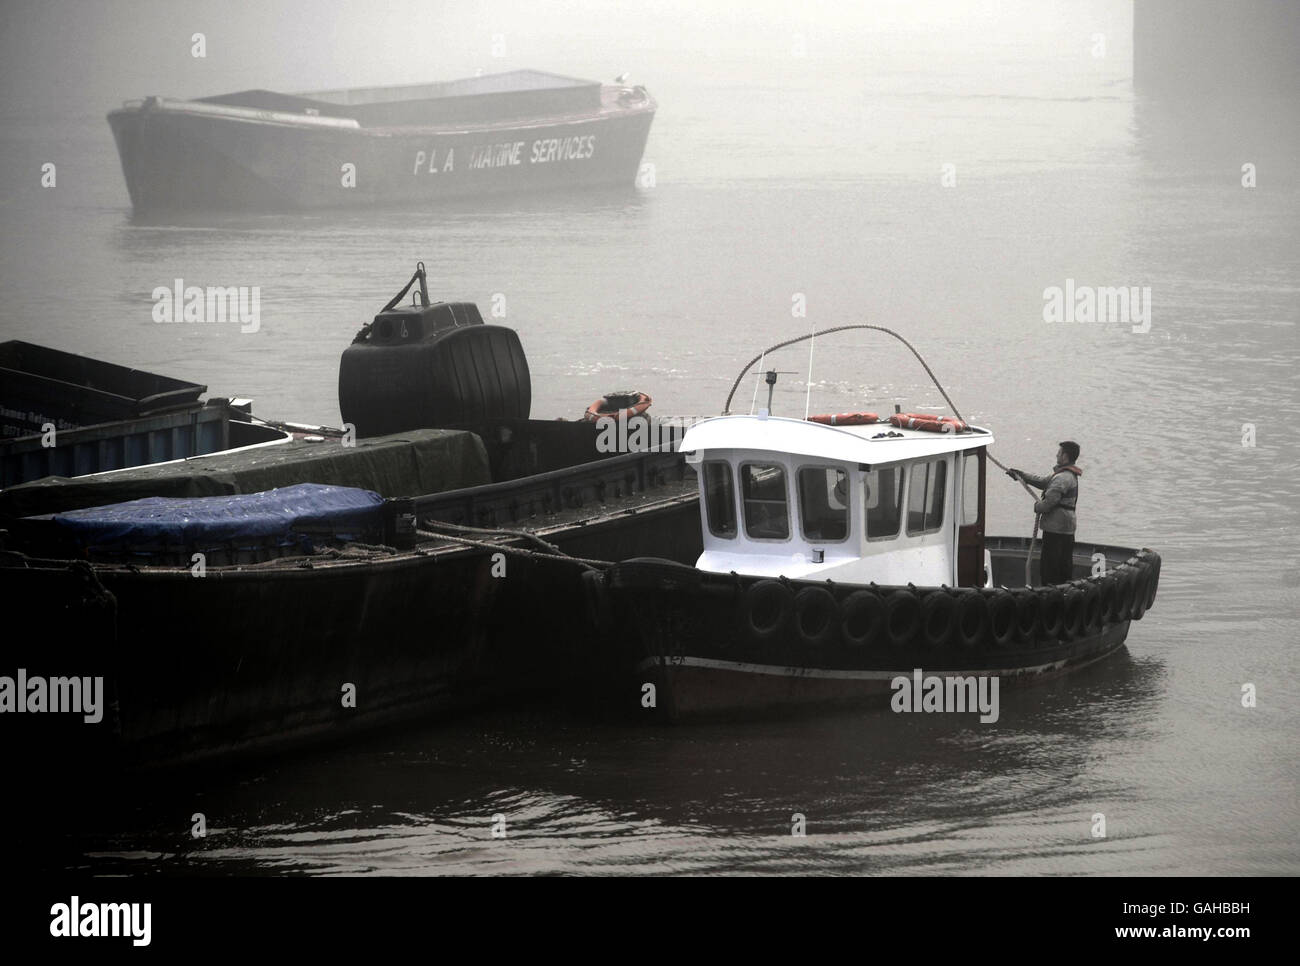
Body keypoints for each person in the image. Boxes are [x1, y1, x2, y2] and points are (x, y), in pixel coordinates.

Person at [1008, 441, 1082, 585]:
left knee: (1051, 564)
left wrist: (1037, 506)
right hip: (1065, 528)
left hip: (1057, 529)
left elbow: (1048, 503)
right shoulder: (1064, 475)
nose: (1056, 455)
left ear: (1065, 457)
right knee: (1063, 562)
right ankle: (1063, 587)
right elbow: (1042, 481)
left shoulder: (1062, 478)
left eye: (1059, 453)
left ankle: (1050, 589)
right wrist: (1020, 475)